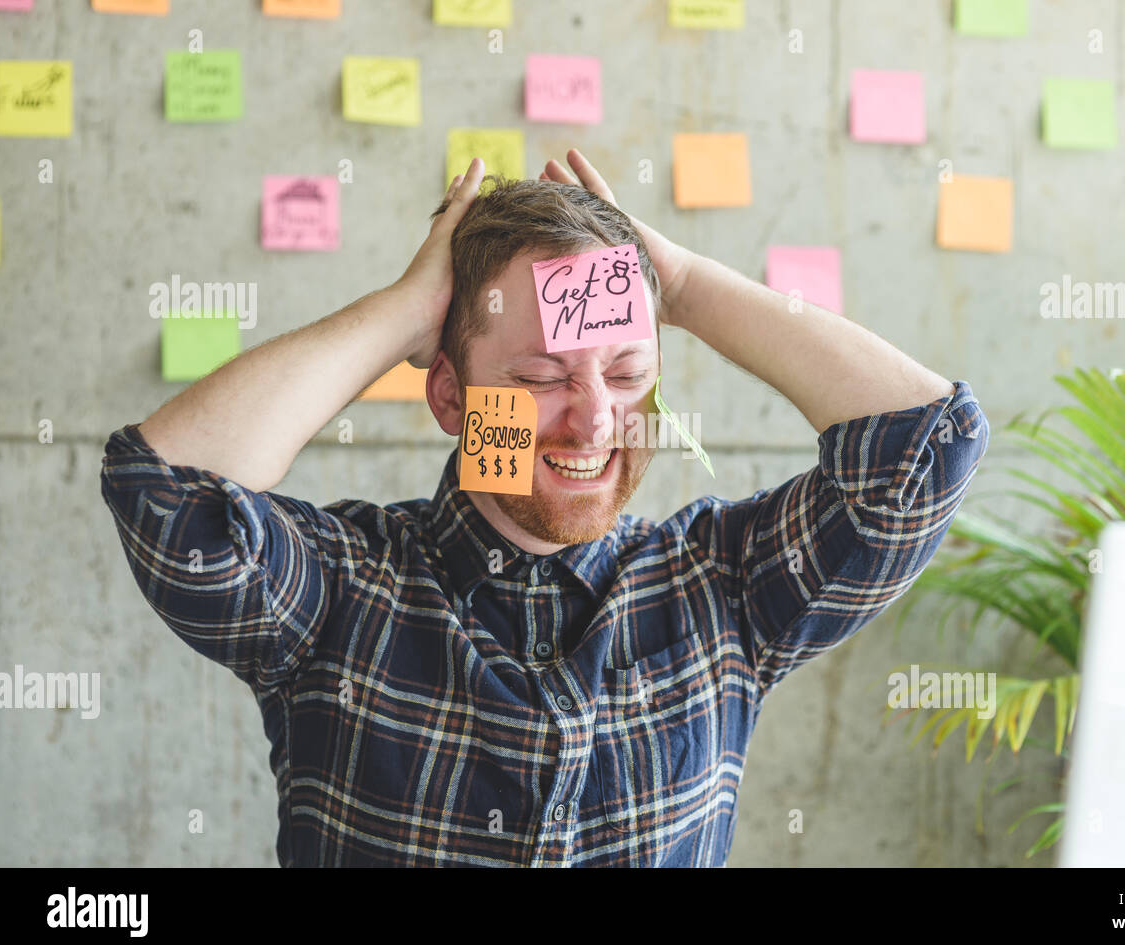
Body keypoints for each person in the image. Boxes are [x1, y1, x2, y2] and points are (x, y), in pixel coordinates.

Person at [99, 149, 989, 866]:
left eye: (629, 375)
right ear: (449, 397)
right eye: (540, 378)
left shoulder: (720, 586)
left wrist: (674, 285)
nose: (597, 417)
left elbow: (926, 445)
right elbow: (166, 494)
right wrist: (407, 312)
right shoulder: (343, 589)